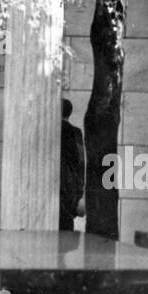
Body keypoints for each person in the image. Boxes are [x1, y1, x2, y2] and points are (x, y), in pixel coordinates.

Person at [60, 99, 85, 231]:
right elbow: (80, 163)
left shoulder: (52, 131)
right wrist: (79, 191)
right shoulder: (76, 133)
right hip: (70, 188)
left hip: (58, 186)